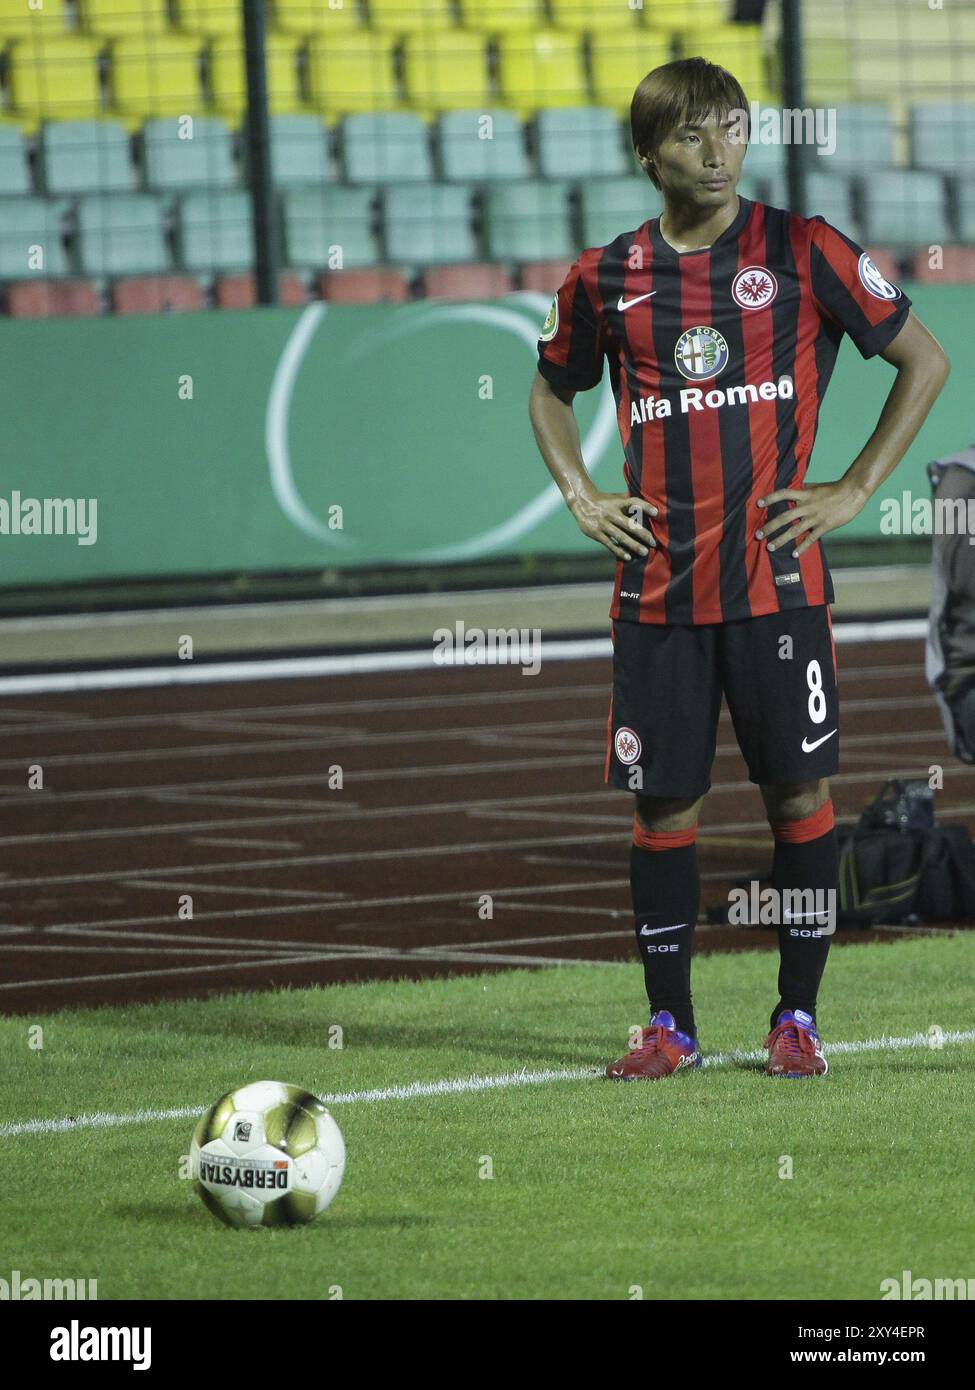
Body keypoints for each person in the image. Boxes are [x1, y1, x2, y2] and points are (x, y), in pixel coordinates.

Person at [529, 57, 950, 1079]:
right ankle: (668, 1026)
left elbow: (924, 359)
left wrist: (852, 489)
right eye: (690, 135)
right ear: (649, 156)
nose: (717, 151)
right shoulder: (606, 276)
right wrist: (582, 497)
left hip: (779, 587)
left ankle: (795, 1017)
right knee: (663, 807)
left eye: (731, 127)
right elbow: (550, 389)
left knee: (797, 799)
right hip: (659, 594)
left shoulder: (801, 250)